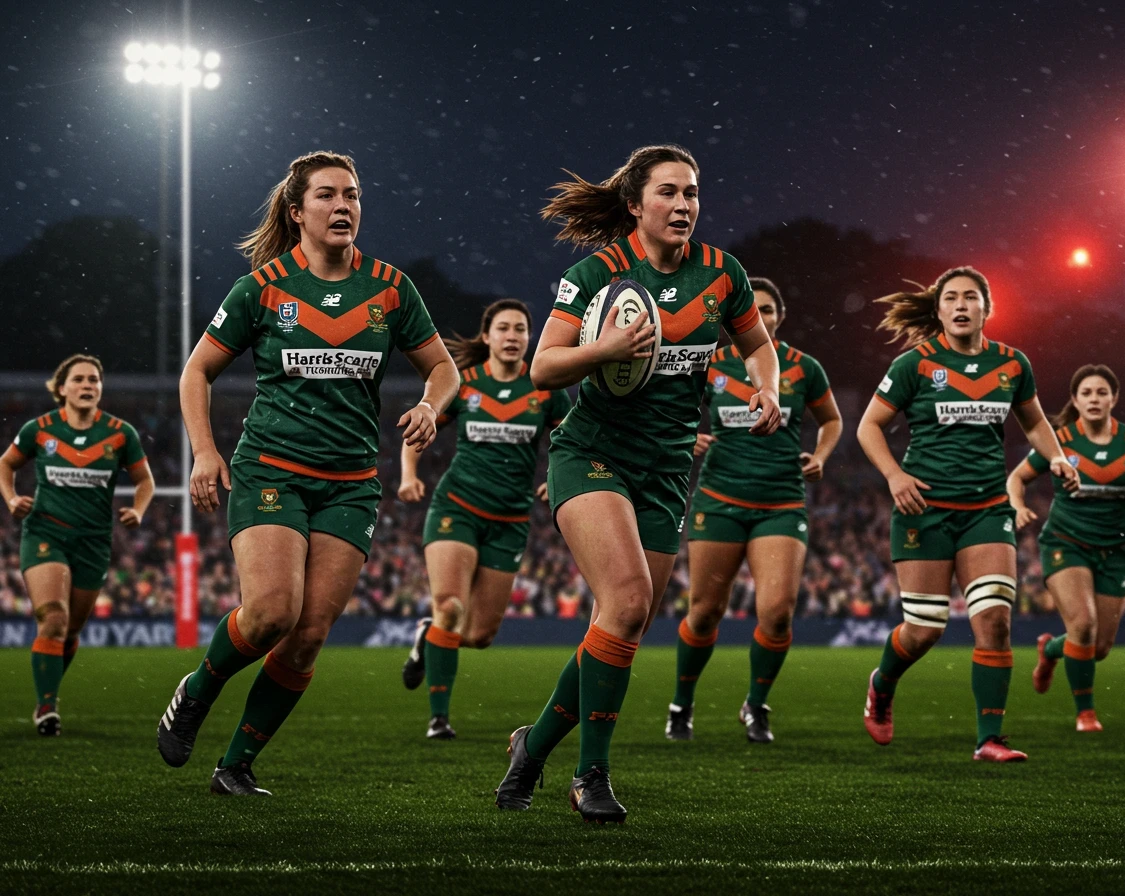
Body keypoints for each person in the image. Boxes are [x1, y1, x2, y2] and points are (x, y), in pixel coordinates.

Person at [155, 151, 459, 795]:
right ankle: (199, 688)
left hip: (351, 484)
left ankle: (235, 766)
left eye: (352, 194)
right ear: (297, 212)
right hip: (272, 470)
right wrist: (204, 452)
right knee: (272, 613)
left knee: (309, 636)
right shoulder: (262, 288)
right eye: (327, 195)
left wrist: (431, 406)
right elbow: (196, 372)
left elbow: (444, 368)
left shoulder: (390, 288)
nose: (343, 205)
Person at [493, 144, 781, 823]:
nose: (683, 205)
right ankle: (590, 775)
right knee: (625, 603)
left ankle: (532, 746)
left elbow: (758, 346)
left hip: (667, 469)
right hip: (592, 453)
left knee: (622, 623)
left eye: (692, 193)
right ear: (634, 204)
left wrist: (766, 388)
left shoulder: (723, 273)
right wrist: (607, 350)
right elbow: (543, 367)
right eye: (668, 193)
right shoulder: (597, 273)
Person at [856, 267, 1078, 762]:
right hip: (924, 509)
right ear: (938, 310)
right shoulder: (915, 364)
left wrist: (1058, 458)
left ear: (986, 308)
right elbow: (869, 427)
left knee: (995, 620)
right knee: (924, 630)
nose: (961, 305)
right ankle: (882, 684)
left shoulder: (1012, 363)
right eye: (951, 298)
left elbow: (1035, 422)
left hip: (987, 510)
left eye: (970, 297)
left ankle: (989, 739)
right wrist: (894, 476)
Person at [666, 277, 843, 743]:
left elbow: (831, 420)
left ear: (780, 316)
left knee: (778, 613)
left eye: (768, 309)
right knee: (705, 611)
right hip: (719, 499)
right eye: (753, 309)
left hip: (781, 501)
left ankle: (756, 704)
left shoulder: (803, 368)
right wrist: (688, 437)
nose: (760, 316)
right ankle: (682, 703)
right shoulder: (709, 364)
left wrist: (821, 456)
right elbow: (671, 412)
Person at [398, 299, 570, 740]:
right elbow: (420, 427)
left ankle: (427, 636)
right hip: (456, 508)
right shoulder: (465, 385)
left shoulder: (546, 389)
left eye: (520, 329)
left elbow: (571, 440)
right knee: (450, 608)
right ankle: (439, 719)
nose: (512, 336)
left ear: (530, 338)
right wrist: (409, 475)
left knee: (478, 635)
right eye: (504, 328)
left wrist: (558, 477)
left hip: (509, 520)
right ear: (487, 336)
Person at [1007, 364, 1125, 731]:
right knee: (1082, 625)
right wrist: (1017, 505)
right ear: (1075, 400)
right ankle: (1086, 713)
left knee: (1098, 648)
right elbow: (1017, 477)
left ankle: (1051, 650)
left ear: (1114, 398)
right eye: (1086, 393)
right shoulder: (1060, 442)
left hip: (1114, 551)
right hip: (1065, 543)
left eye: (1101, 393)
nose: (1094, 399)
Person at [1, 354, 154, 736]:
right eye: (79, 379)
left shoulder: (120, 434)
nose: (87, 385)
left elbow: (145, 481)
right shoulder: (40, 430)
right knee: (54, 618)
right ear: (62, 388)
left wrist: (138, 510)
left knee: (70, 630)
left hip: (94, 540)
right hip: (46, 533)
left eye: (93, 380)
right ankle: (47, 707)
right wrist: (11, 498)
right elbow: (5, 464)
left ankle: (48, 692)